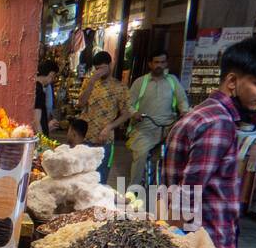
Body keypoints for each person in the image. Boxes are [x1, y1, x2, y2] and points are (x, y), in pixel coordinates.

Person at [164, 37, 256, 248]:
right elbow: (188, 194)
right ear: (232, 81)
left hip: (197, 244)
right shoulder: (218, 122)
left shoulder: (201, 113)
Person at [126, 49, 189, 185]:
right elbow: (127, 104)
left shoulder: (173, 81)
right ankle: (133, 192)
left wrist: (184, 111)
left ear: (166, 63)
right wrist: (134, 113)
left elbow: (182, 100)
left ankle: (171, 190)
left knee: (178, 157)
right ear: (150, 64)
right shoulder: (140, 82)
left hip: (168, 129)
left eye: (162, 62)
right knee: (140, 156)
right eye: (156, 62)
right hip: (145, 128)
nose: (159, 65)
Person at [74, 51, 130, 184]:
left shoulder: (120, 87)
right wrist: (92, 81)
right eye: (97, 68)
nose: (99, 71)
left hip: (104, 139)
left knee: (100, 178)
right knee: (80, 177)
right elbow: (80, 104)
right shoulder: (89, 82)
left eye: (103, 68)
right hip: (84, 136)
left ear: (111, 65)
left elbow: (126, 114)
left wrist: (109, 127)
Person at [34, 59, 58, 136]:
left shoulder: (34, 87)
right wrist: (42, 143)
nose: (53, 80)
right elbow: (36, 121)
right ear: (51, 74)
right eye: (54, 76)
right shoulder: (39, 91)